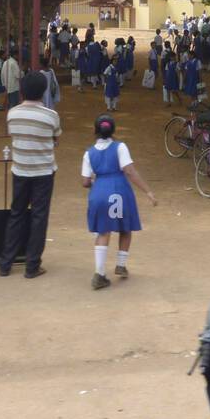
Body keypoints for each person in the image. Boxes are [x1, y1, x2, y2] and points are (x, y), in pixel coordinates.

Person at [0, 71, 62, 279]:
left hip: (20, 170)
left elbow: (13, 134)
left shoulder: (12, 113)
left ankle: (5, 263)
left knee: (16, 213)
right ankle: (32, 265)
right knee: (39, 217)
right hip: (43, 171)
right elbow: (56, 138)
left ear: (23, 90)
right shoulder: (50, 115)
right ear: (43, 91)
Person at [82, 114, 157, 290]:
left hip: (98, 192)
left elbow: (85, 182)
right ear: (113, 131)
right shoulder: (120, 147)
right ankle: (121, 265)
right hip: (120, 190)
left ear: (95, 131)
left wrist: (97, 183)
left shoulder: (89, 153)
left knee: (103, 232)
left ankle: (99, 274)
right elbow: (129, 171)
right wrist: (148, 191)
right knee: (125, 227)